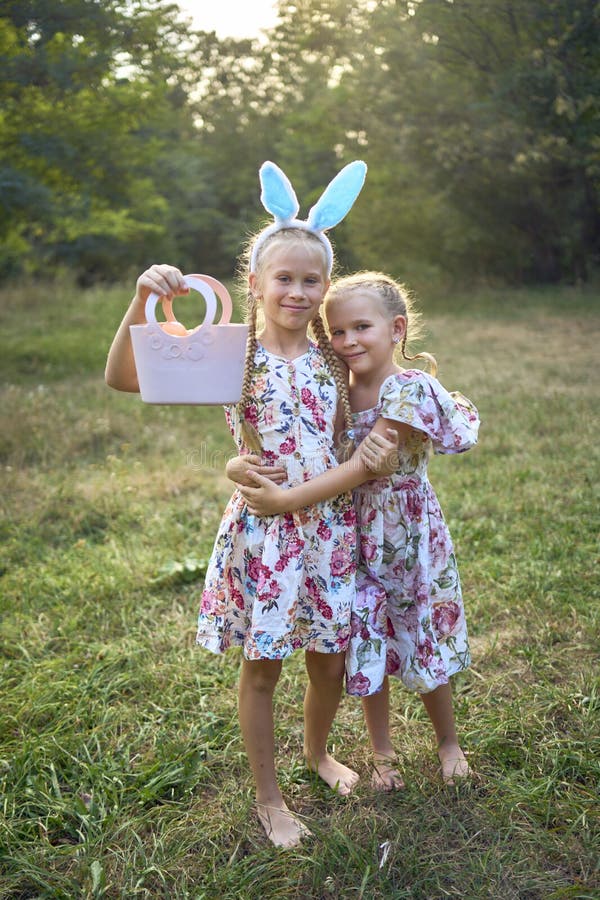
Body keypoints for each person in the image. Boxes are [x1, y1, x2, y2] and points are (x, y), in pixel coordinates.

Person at [106, 162, 398, 848]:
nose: (297, 291)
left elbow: (385, 383)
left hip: (330, 529)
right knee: (263, 666)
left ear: (326, 287)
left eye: (311, 280)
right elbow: (123, 377)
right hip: (267, 536)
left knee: (328, 660)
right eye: (284, 278)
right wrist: (139, 301)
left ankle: (319, 754)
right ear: (256, 284)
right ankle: (269, 798)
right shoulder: (229, 352)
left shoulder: (335, 356)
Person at [235, 271, 480, 792]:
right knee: (367, 636)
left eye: (361, 328)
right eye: (338, 331)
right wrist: (238, 466)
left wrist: (282, 501)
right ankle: (382, 751)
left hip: (406, 536)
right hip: (349, 534)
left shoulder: (406, 389)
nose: (347, 342)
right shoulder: (340, 387)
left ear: (397, 328)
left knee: (421, 636)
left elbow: (367, 467)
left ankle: (447, 741)